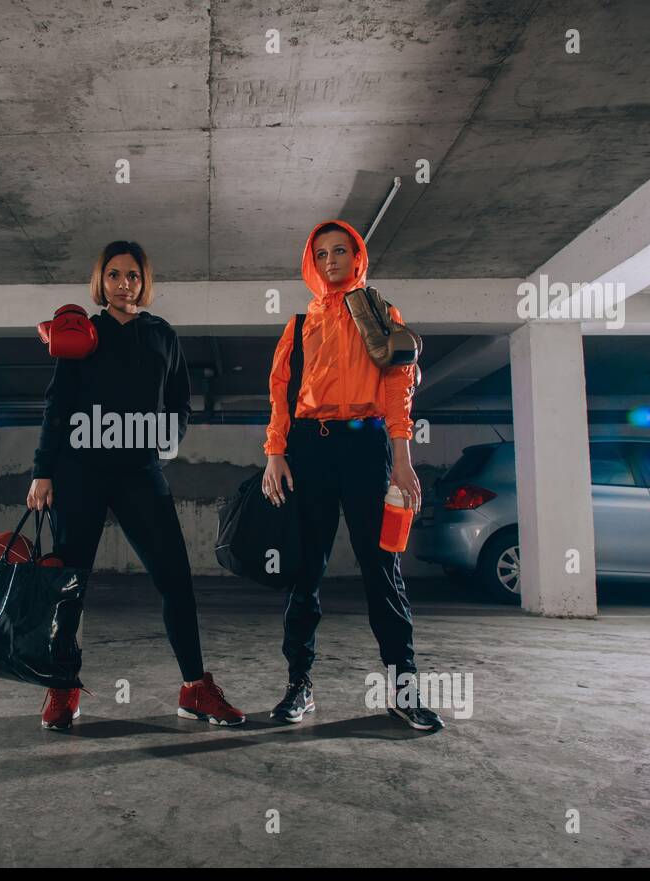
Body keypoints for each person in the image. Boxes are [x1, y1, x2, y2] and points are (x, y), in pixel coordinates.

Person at [26, 240, 245, 731]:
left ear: (144, 282)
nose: (124, 284)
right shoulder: (82, 333)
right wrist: (43, 471)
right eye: (114, 275)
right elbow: (56, 407)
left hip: (140, 472)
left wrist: (165, 441)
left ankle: (194, 687)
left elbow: (180, 403)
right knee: (69, 585)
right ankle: (63, 689)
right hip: (79, 471)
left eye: (133, 276)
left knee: (175, 580)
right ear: (100, 282)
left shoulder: (162, 335)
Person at [261, 220, 444, 732]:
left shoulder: (381, 315)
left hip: (367, 449)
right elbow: (279, 392)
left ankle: (404, 692)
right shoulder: (299, 326)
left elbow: (398, 388)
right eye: (322, 254)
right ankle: (299, 687)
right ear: (311, 263)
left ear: (357, 256)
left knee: (383, 571)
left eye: (341, 251)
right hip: (308, 449)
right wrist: (276, 452)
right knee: (305, 573)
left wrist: (402, 457)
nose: (332, 261)